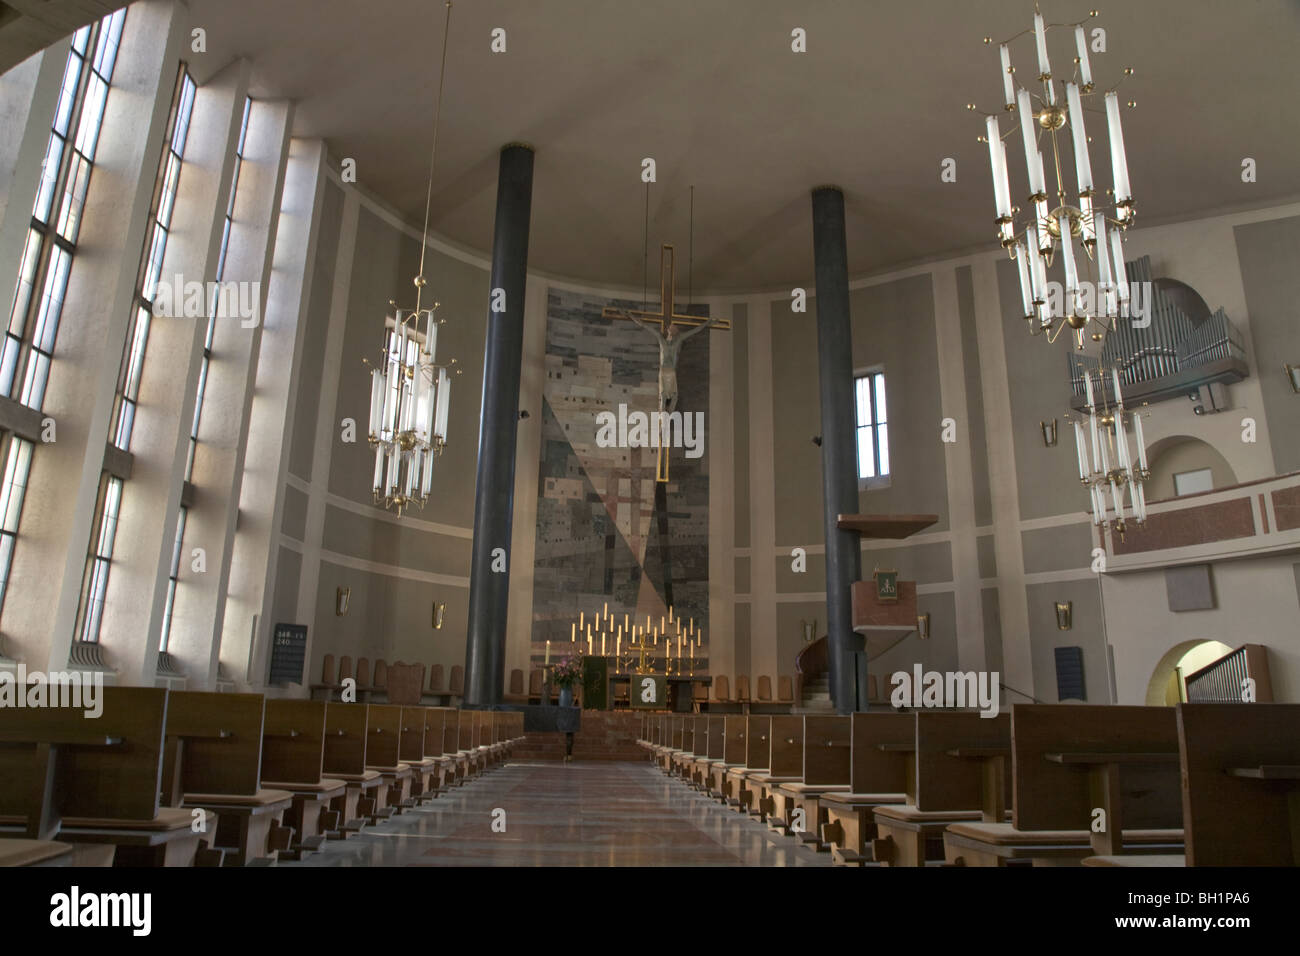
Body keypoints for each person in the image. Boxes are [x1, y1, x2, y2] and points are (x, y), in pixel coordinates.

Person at [610, 310, 720, 412]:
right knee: (662, 395)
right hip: (663, 371)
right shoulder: (660, 338)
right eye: (672, 327)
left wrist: (707, 323)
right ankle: (662, 419)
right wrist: (630, 316)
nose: (674, 328)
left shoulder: (679, 339)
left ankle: (669, 415)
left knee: (675, 397)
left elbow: (695, 331)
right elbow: (644, 325)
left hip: (672, 372)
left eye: (675, 327)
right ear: (668, 329)